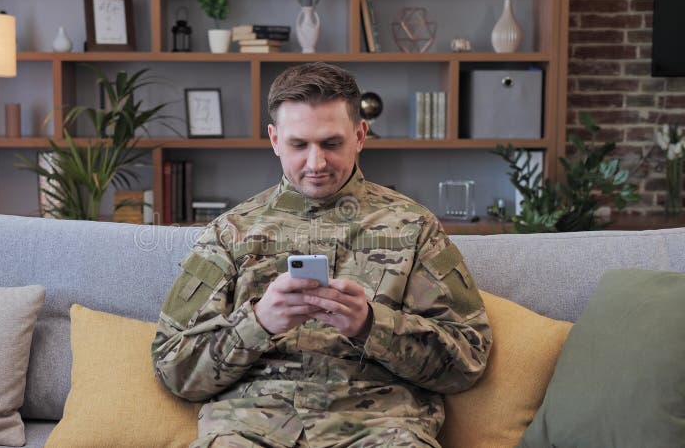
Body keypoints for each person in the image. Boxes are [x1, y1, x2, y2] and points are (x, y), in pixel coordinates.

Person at [152, 62, 492, 448]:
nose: (316, 163)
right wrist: (258, 323)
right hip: (251, 430)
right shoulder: (230, 233)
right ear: (275, 139)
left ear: (360, 135)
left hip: (378, 429)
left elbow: (468, 361)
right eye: (299, 145)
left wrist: (371, 325)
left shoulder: (414, 228)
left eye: (331, 143)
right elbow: (173, 368)